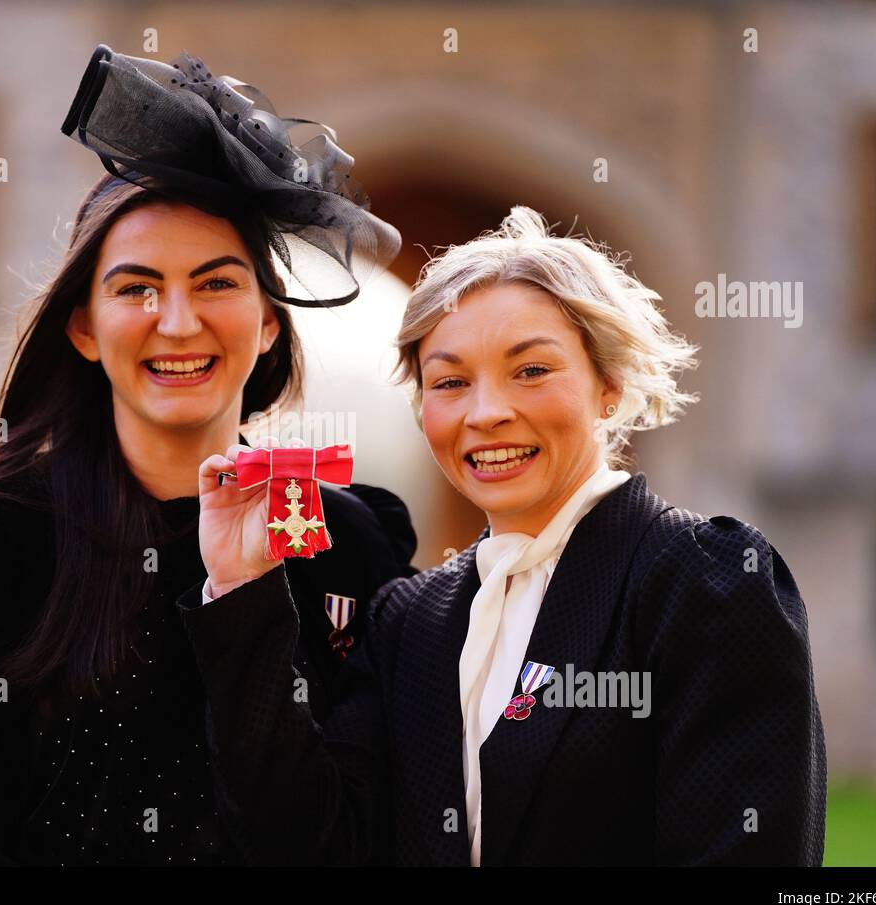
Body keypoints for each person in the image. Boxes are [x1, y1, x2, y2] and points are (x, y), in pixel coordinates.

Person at [0, 45, 412, 865]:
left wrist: (246, 598)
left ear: (267, 325)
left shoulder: (350, 546)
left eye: (217, 283)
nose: (176, 321)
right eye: (135, 287)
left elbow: (332, 841)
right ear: (83, 327)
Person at [180, 206, 828, 865]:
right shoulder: (410, 622)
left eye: (531, 371)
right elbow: (309, 844)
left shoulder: (706, 582)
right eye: (451, 382)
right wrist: (242, 588)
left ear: (609, 383)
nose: (487, 413)